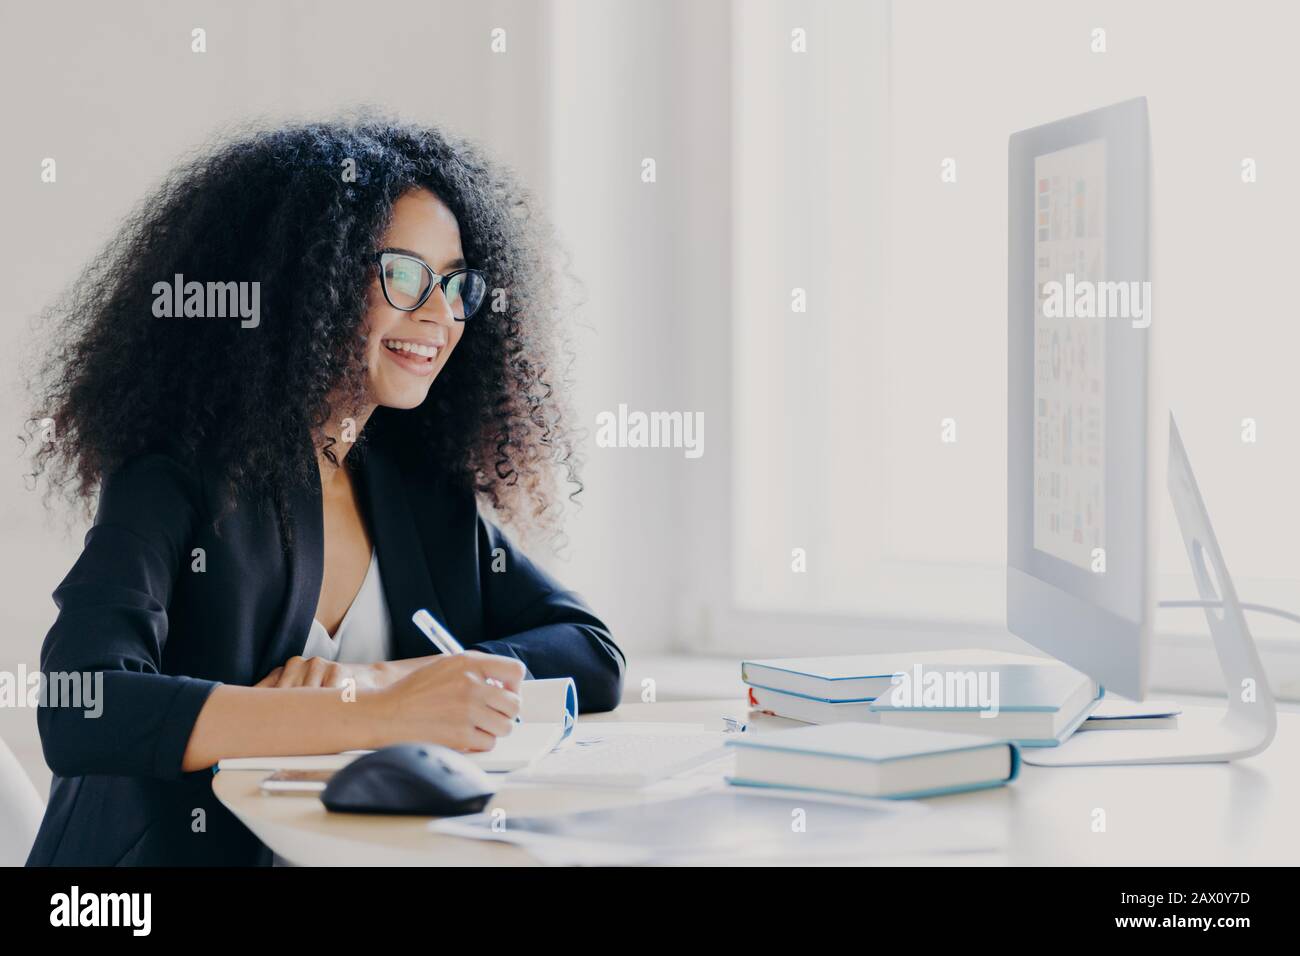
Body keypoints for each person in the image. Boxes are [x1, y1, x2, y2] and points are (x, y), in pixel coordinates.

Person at [23, 121, 624, 866]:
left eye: (456, 283)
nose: (439, 314)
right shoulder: (174, 474)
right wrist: (369, 713)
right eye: (403, 274)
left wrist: (377, 679)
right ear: (312, 279)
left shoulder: (418, 488)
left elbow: (590, 655)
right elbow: (82, 706)